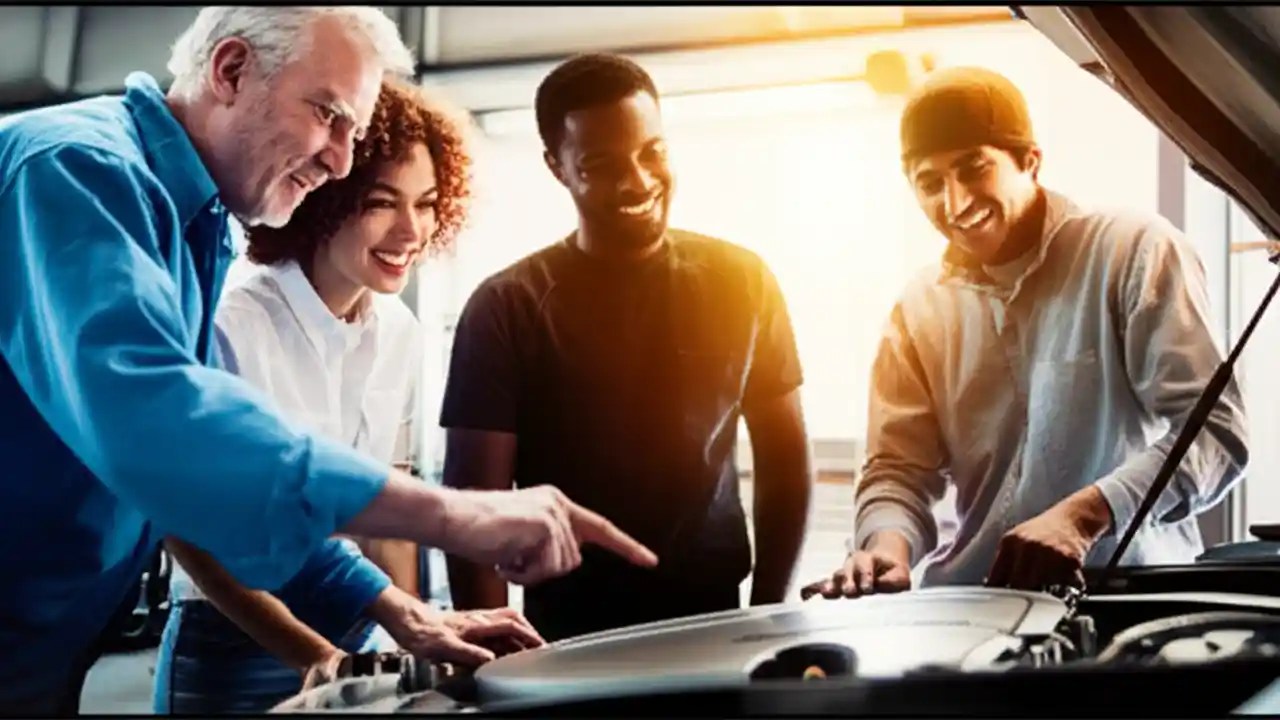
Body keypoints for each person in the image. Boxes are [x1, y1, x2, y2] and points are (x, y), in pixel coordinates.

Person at [0, 9, 654, 713]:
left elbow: (212, 487)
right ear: (229, 71)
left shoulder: (195, 226)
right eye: (327, 115)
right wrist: (455, 515)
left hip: (44, 653)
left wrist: (398, 609)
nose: (341, 160)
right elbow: (160, 430)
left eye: (354, 130)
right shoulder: (75, 167)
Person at [152, 79, 544, 714]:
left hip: (360, 627)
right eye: (382, 202)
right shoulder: (234, 322)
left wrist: (418, 636)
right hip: (233, 641)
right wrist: (315, 654)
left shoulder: (400, 333)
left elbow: (389, 523)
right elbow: (195, 531)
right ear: (325, 197)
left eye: (427, 203)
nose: (411, 230)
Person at [801, 67, 1249, 600]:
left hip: (1130, 599)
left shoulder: (1135, 252)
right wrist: (885, 546)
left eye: (973, 169)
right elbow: (898, 469)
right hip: (978, 608)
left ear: (1030, 161)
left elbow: (1216, 433)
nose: (954, 202)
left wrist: (1085, 515)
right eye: (930, 183)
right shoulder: (916, 309)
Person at [441, 53, 813, 642]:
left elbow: (786, 462)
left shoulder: (743, 280)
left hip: (717, 622)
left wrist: (767, 612)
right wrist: (492, 656)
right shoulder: (506, 307)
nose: (638, 180)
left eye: (652, 152)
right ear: (557, 167)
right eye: (600, 163)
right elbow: (474, 506)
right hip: (565, 639)